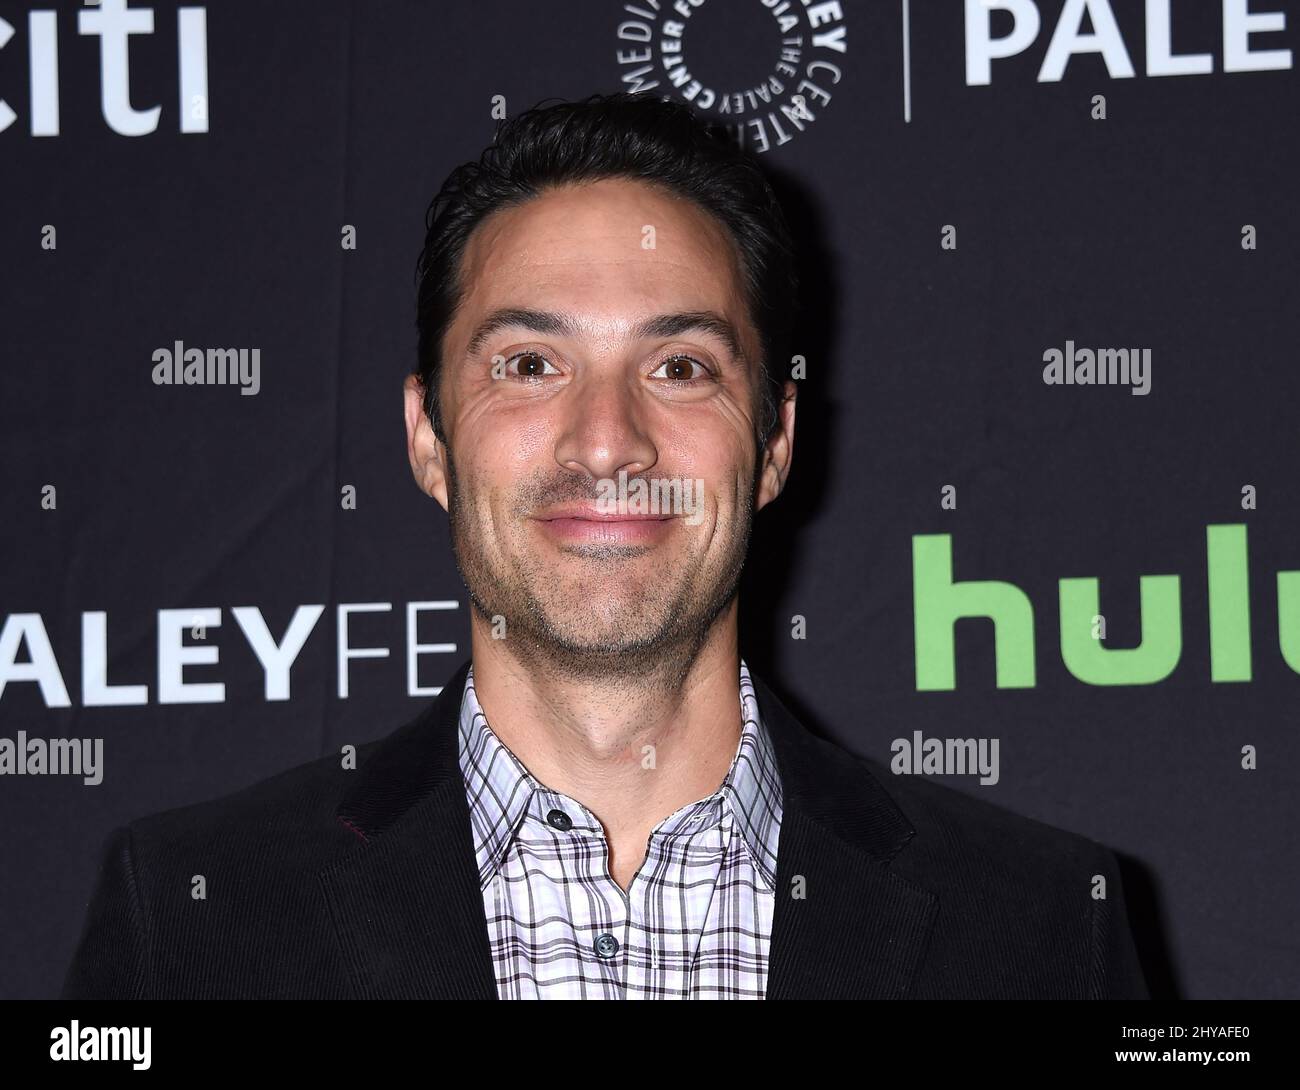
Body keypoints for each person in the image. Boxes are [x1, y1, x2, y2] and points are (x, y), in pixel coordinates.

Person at [62, 91, 1147, 1000]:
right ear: (427, 436)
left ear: (773, 441)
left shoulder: (1043, 926)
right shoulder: (193, 917)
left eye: (680, 367)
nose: (608, 442)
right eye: (529, 364)